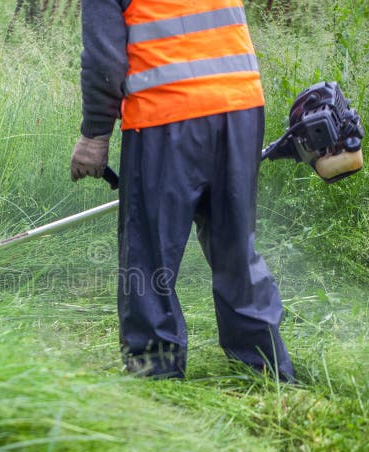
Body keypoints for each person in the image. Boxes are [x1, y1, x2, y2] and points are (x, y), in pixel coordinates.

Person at [70, 0, 294, 381]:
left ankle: (155, 378)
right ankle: (265, 372)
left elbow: (105, 62)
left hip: (165, 115)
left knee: (149, 257)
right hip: (239, 106)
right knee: (236, 248)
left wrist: (94, 134)